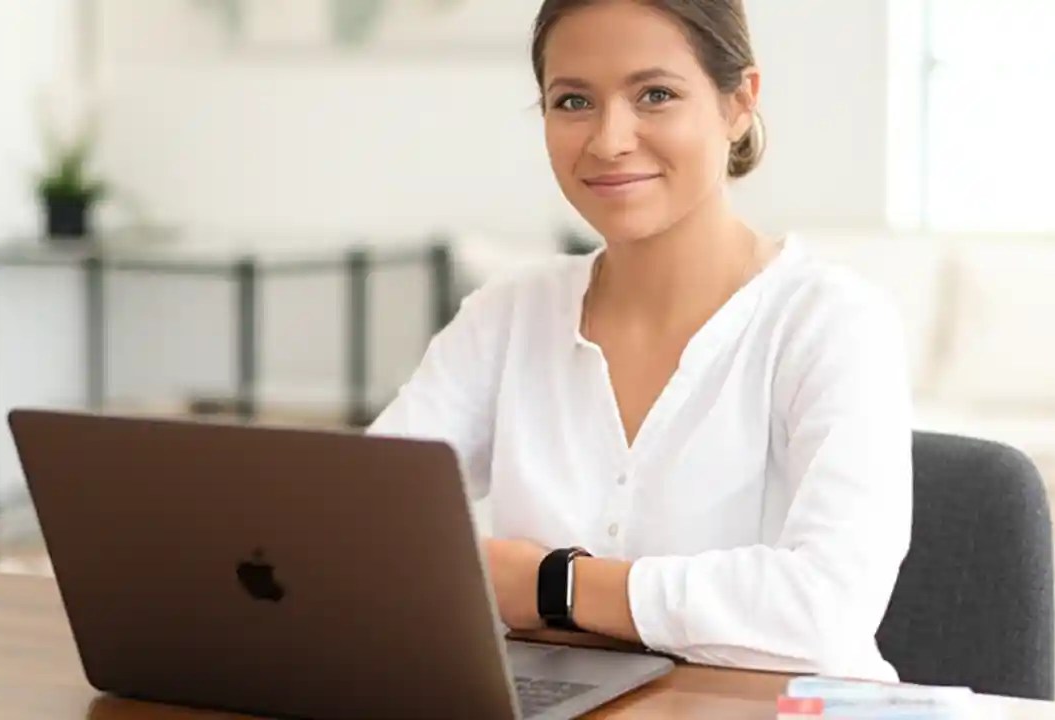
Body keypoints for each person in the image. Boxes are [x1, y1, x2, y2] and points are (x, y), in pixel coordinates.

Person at [369, 0, 912, 681]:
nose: (609, 139)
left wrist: (552, 586)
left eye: (655, 95)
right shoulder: (504, 317)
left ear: (739, 102)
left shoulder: (832, 322)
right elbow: (366, 524)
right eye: (572, 101)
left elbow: (826, 611)